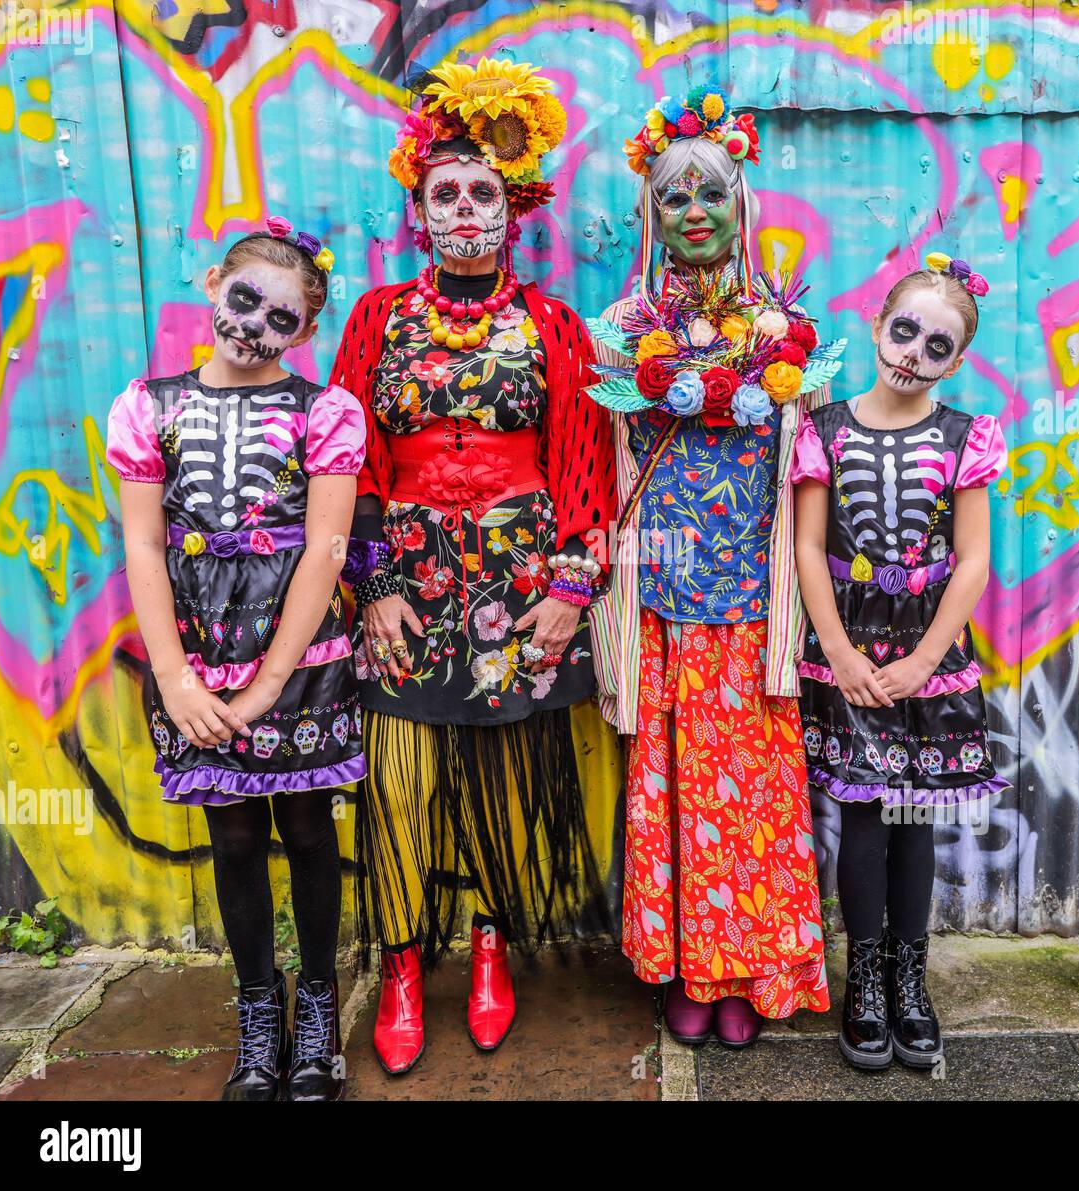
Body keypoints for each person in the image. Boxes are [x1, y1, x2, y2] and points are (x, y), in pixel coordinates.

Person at [329, 56, 616, 1071]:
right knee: (402, 788)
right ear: (417, 213)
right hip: (405, 582)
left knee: (504, 785)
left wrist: (571, 594)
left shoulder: (551, 326)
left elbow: (583, 459)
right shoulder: (374, 319)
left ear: (513, 208)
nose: (463, 208)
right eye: (444, 193)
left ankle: (491, 952)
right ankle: (404, 964)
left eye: (481, 192)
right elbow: (346, 458)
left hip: (516, 585)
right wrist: (368, 588)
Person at [587, 85, 833, 1048]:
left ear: (741, 206)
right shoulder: (620, 328)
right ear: (652, 216)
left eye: (710, 194)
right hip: (662, 596)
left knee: (755, 791)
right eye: (673, 197)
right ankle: (688, 964)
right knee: (673, 783)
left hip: (753, 598)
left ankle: (752, 971)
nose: (694, 212)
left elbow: (805, 460)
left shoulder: (781, 330)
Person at [107, 219, 364, 1101]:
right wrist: (176, 676)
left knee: (304, 825)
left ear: (306, 331)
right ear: (214, 283)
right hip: (196, 655)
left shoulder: (323, 412)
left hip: (298, 657)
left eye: (280, 318)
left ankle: (319, 1011)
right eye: (243, 298)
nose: (255, 325)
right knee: (234, 832)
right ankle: (260, 1009)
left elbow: (327, 551)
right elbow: (144, 548)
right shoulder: (150, 404)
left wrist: (265, 687)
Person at [791, 252, 1009, 1070]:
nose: (914, 353)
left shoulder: (964, 437)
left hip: (928, 656)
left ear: (957, 360)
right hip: (846, 653)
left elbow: (973, 561)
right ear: (878, 325)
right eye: (905, 330)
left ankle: (909, 977)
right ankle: (864, 983)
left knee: (915, 819)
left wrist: (923, 660)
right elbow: (810, 549)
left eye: (939, 345)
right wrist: (840, 652)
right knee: (863, 816)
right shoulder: (824, 430)